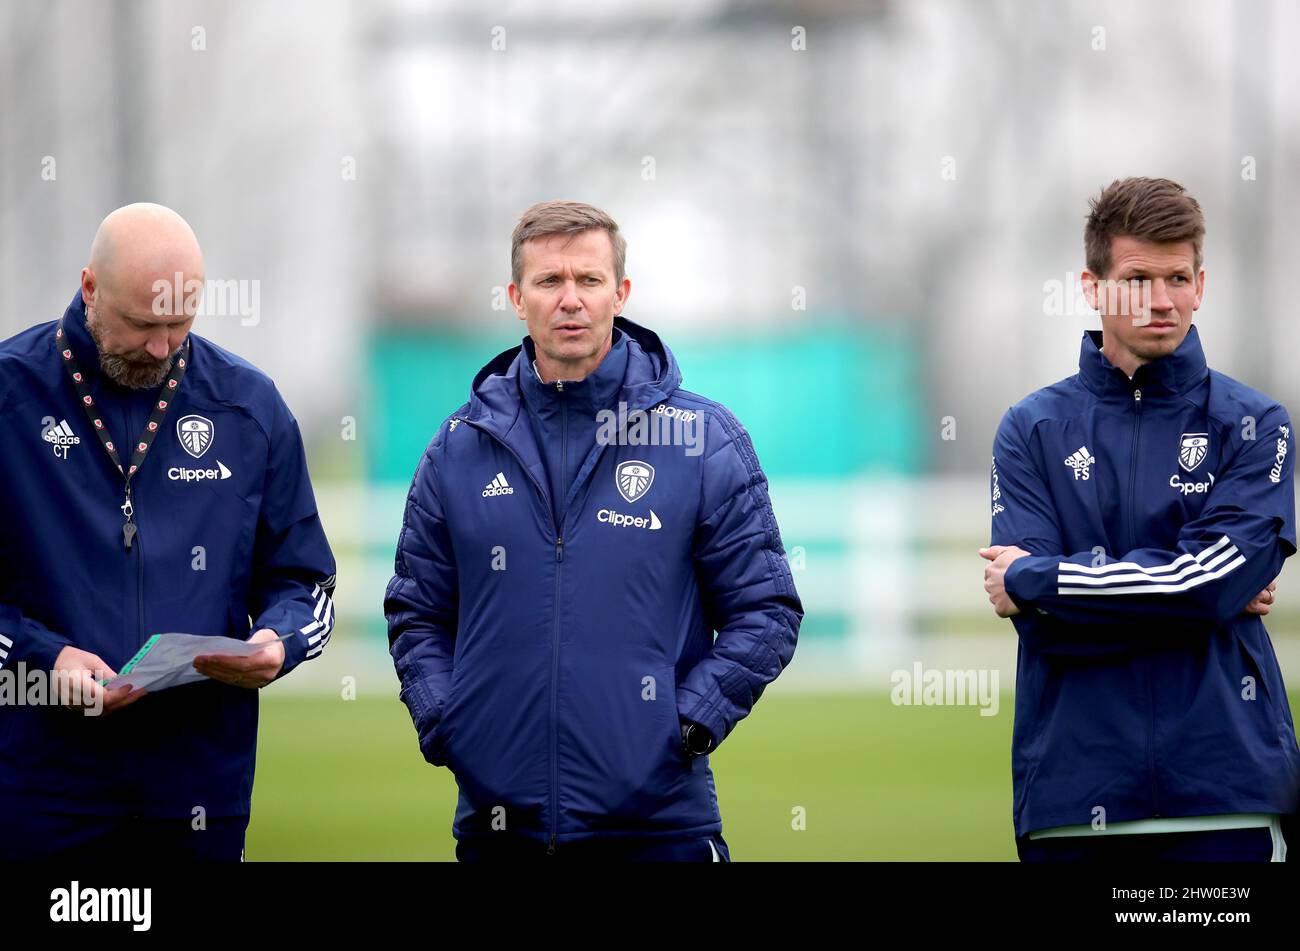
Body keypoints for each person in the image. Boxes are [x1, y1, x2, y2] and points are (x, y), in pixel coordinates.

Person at [386, 200, 802, 861]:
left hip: (660, 829)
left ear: (622, 292)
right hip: (499, 832)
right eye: (550, 282)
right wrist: (448, 724)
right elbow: (417, 611)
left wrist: (684, 725)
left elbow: (767, 609)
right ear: (517, 298)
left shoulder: (701, 440)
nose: (570, 299)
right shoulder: (457, 449)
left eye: (589, 279)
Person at [0, 203, 337, 860]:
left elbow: (304, 577)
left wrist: (280, 641)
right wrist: (43, 657)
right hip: (38, 789)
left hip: (200, 793)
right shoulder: (11, 395)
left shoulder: (249, 407)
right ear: (89, 288)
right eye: (141, 324)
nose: (161, 345)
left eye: (179, 324)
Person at [982, 177, 1298, 861]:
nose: (1162, 300)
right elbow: (1049, 629)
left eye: (1178, 276)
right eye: (1137, 278)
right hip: (1073, 797)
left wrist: (1041, 580)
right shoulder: (1031, 429)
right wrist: (1200, 592)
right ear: (1092, 287)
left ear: (1201, 284)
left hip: (1227, 796)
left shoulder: (1256, 424)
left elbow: (1204, 586)